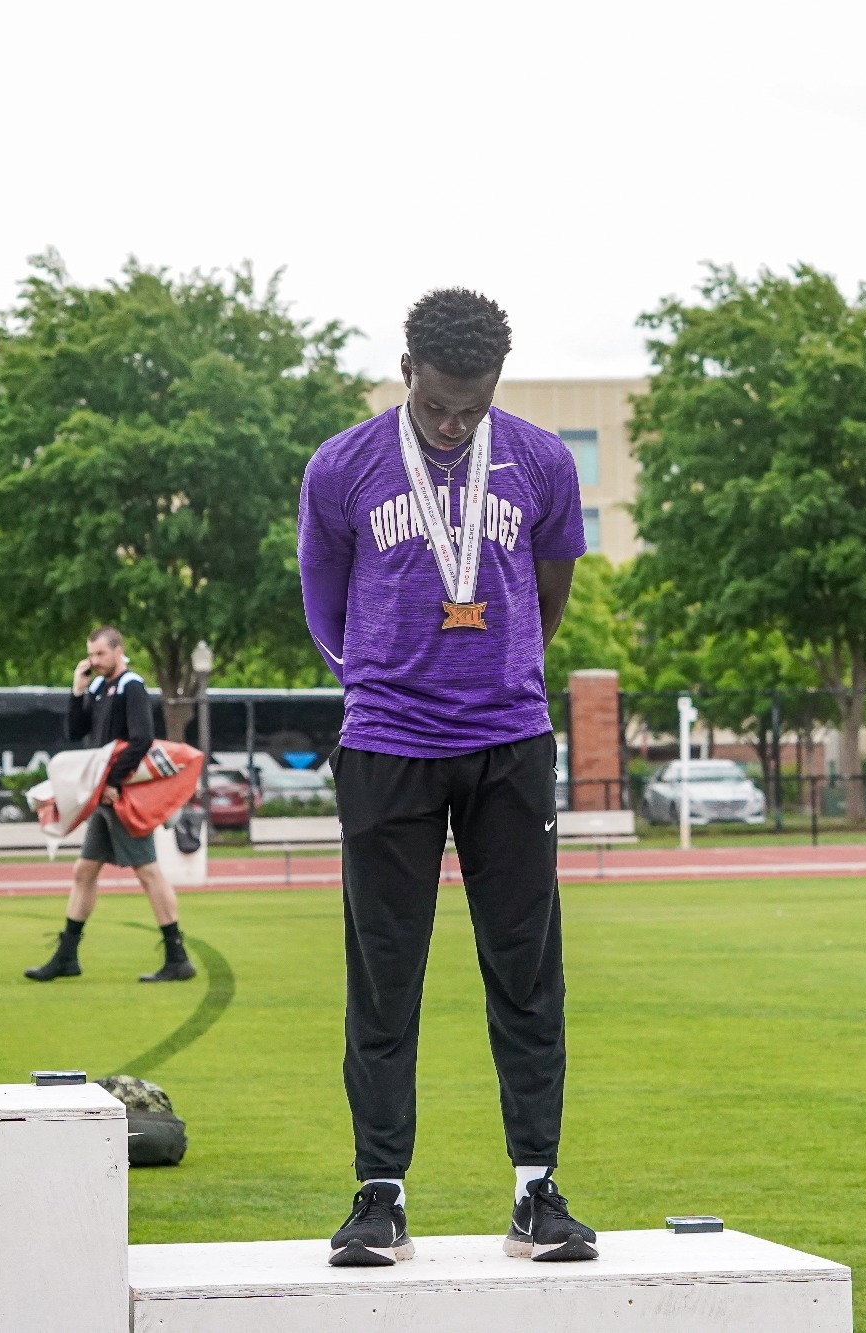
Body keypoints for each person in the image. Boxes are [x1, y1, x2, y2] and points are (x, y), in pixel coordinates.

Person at [298, 289, 594, 1268]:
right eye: (437, 407)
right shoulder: (341, 466)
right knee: (384, 977)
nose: (454, 425)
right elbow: (324, 604)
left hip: (508, 739)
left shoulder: (543, 463)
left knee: (525, 970)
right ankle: (378, 1196)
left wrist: (498, 668)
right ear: (407, 369)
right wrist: (388, 681)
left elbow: (546, 595)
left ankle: (535, 1191)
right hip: (386, 744)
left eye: (473, 407)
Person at [24, 627, 195, 983]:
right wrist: (77, 690)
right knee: (84, 872)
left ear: (119, 650)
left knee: (148, 872)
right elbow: (75, 733)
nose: (94, 661)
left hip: (120, 797)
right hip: (103, 797)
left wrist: (113, 783)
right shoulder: (100, 687)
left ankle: (178, 958)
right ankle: (67, 957)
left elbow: (142, 739)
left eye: (100, 654)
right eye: (91, 655)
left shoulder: (132, 685)